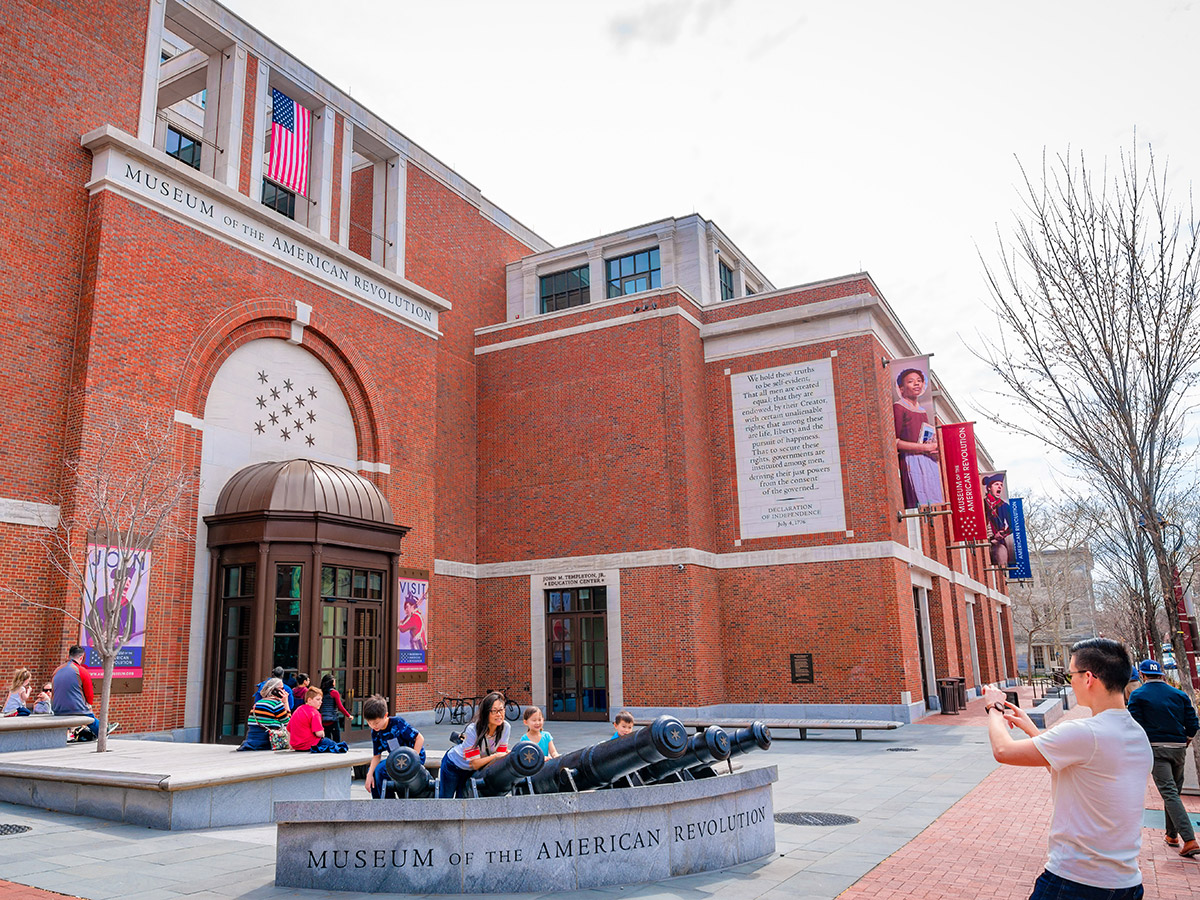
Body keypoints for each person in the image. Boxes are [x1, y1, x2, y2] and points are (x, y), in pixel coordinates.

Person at [983, 638, 1152, 900]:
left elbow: (1003, 751)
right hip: (1126, 884)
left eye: (1070, 673)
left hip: (1076, 881)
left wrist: (993, 708)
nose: (1068, 680)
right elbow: (1079, 776)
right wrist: (1032, 730)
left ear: (1088, 678)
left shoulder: (1085, 733)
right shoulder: (1137, 734)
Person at [1127, 658, 1200, 858]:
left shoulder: (1138, 695)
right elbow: (1193, 723)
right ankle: (1172, 835)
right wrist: (1186, 740)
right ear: (1162, 674)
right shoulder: (1179, 694)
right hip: (1178, 748)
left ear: (1142, 675)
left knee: (1170, 793)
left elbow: (1134, 725)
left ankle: (1190, 839)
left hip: (1156, 749)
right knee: (1173, 792)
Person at [437, 692, 509, 798]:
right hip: (454, 765)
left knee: (464, 800)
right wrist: (495, 756)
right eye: (494, 711)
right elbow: (474, 763)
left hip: (472, 771)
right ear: (485, 712)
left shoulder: (506, 728)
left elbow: (500, 755)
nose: (499, 714)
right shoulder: (473, 729)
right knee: (446, 799)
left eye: (501, 709)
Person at [892, 367, 942, 509]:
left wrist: (932, 448)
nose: (916, 384)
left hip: (926, 462)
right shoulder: (899, 408)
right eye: (911, 381)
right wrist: (924, 447)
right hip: (910, 461)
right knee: (916, 499)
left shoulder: (923, 411)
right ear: (901, 388)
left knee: (930, 502)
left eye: (919, 381)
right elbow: (895, 441)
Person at [363, 694, 424, 799]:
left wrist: (414, 759)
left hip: (413, 758)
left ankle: (388, 803)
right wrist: (369, 775)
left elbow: (419, 738)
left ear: (385, 715)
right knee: (373, 772)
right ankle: (380, 804)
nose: (374, 726)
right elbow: (377, 756)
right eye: (370, 723)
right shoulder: (376, 732)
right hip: (395, 760)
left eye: (376, 722)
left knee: (380, 771)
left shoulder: (398, 723)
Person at [51, 646, 102, 740]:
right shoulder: (81, 671)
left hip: (57, 709)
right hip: (75, 709)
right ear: (81, 657)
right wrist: (89, 705)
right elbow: (89, 695)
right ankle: (103, 731)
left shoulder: (57, 670)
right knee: (89, 716)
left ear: (69, 655)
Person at [288, 687, 348, 753]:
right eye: (318, 699)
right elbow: (319, 734)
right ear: (309, 700)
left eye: (321, 700)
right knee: (336, 745)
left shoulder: (298, 710)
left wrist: (290, 744)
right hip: (311, 745)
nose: (321, 702)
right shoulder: (314, 713)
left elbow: (289, 729)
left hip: (297, 746)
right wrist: (323, 733)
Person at [237, 677, 291, 750]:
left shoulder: (258, 703)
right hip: (266, 742)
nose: (284, 691)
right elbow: (288, 723)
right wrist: (286, 702)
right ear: (274, 690)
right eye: (281, 689)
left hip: (251, 741)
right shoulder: (276, 704)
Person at [983, 473, 1014, 568]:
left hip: (997, 543)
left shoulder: (1004, 506)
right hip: (982, 540)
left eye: (1001, 485)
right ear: (989, 488)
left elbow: (1013, 526)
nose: (999, 487)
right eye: (996, 484)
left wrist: (1001, 534)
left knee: (1002, 562)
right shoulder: (982, 504)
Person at [318, 674, 351, 742]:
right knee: (336, 739)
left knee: (327, 739)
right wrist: (348, 715)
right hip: (333, 719)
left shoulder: (320, 692)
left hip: (322, 719)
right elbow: (340, 706)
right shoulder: (334, 693)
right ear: (332, 682)